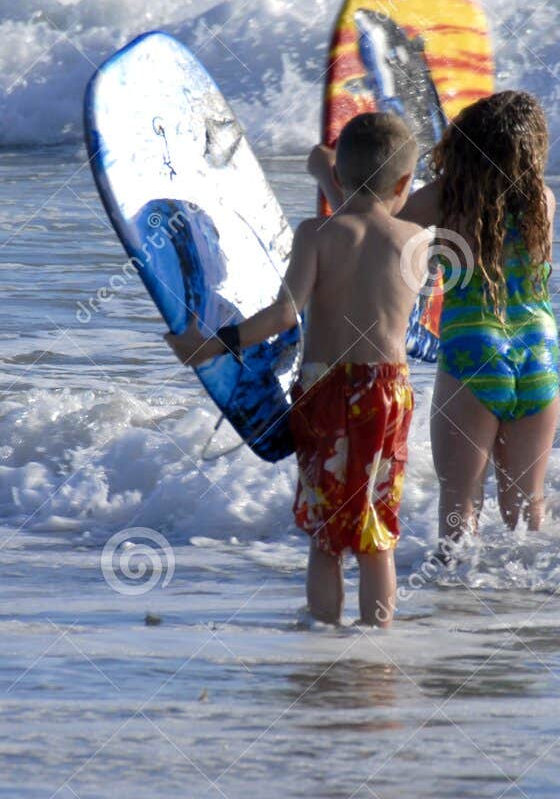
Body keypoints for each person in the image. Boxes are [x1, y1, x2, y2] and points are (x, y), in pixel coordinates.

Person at [167, 112, 421, 627]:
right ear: (404, 183)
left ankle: (323, 634)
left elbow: (285, 314)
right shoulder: (417, 237)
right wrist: (331, 178)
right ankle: (377, 641)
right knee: (375, 529)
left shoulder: (316, 234)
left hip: (326, 389)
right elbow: (373, 215)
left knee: (328, 535)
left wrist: (210, 347)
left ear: (342, 179)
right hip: (388, 393)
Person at [315, 90, 559, 547]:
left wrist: (326, 175)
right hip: (538, 352)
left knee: (461, 500)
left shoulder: (450, 197)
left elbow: (370, 219)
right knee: (526, 508)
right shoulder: (543, 201)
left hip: (475, 348)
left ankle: (452, 595)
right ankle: (530, 596)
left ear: (465, 143)